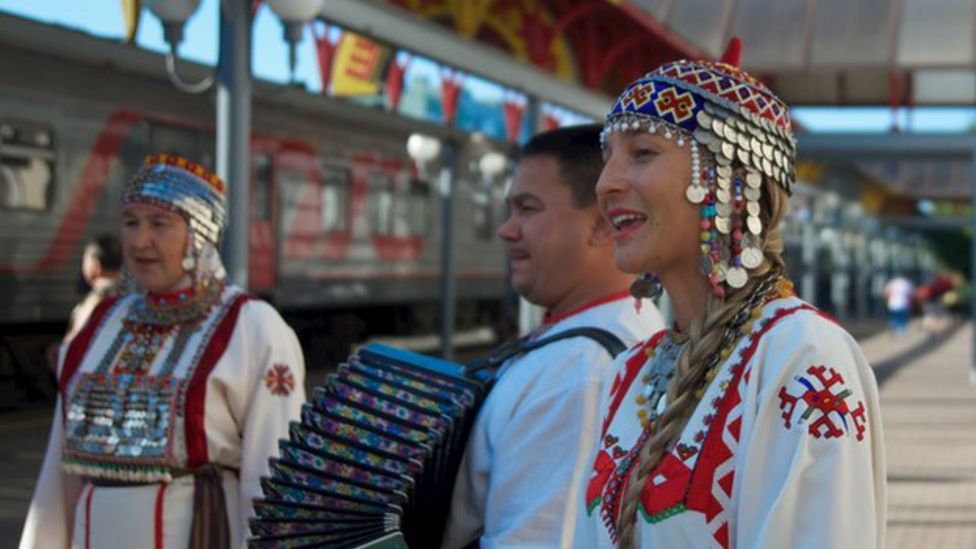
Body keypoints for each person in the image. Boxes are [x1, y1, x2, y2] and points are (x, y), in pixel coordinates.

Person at [573, 38, 885, 548]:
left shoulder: (804, 358)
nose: (605, 183)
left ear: (731, 177)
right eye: (608, 158)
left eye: (643, 153)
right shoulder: (631, 372)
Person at [20, 155, 306, 548]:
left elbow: (273, 478)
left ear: (199, 235)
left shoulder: (251, 327)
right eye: (131, 223)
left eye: (159, 224)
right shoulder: (102, 322)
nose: (140, 241)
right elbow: (60, 470)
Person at [442, 125, 664, 548]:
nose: (507, 229)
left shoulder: (580, 373)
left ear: (602, 225)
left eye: (528, 209)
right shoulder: (628, 329)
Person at [64, 234, 123, 343]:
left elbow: (75, 341)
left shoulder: (94, 302)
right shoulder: (132, 298)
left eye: (85, 260)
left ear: (95, 266)